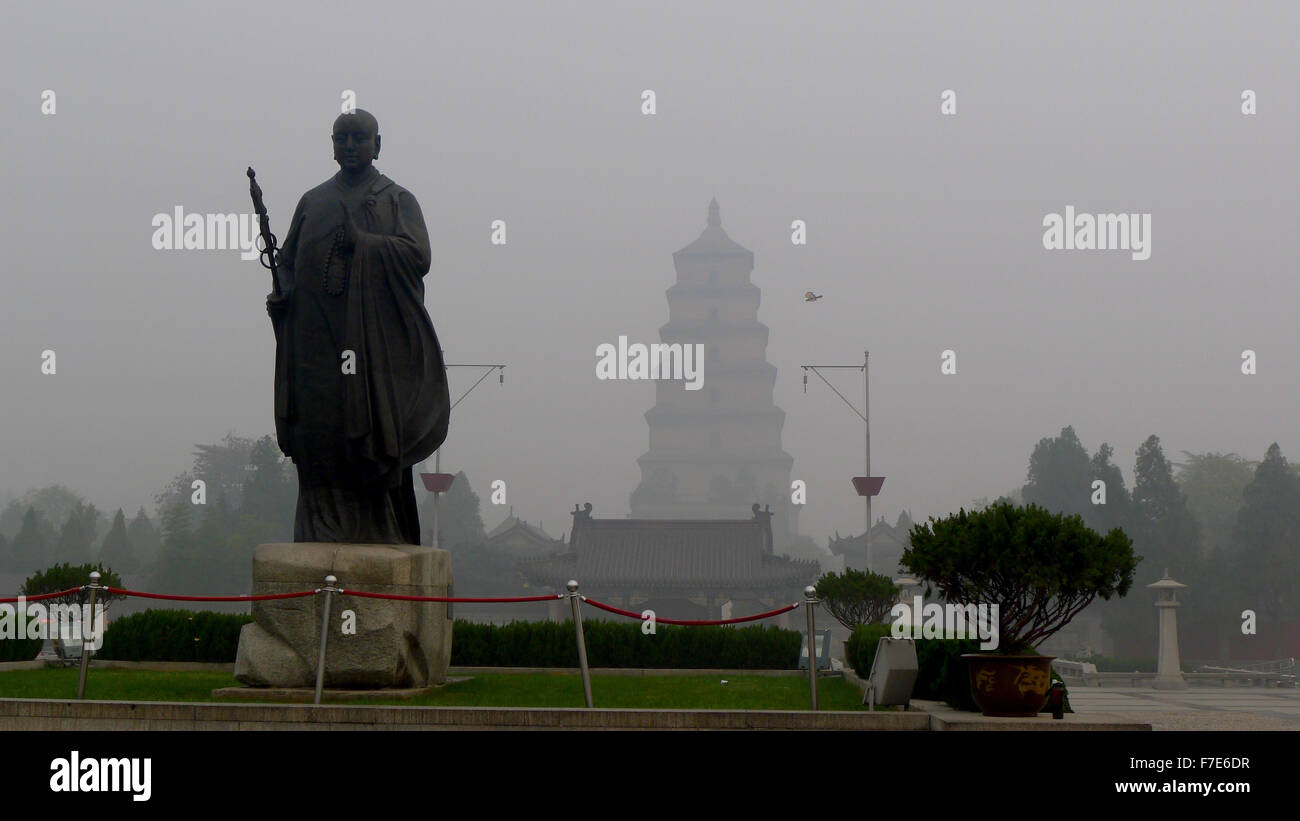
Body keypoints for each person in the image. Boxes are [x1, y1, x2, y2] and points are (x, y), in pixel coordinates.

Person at [265, 110, 449, 544]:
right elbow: (289, 265)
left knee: (367, 434)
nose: (350, 146)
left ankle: (379, 529)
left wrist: (364, 244)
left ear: (377, 145)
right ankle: (319, 529)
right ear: (331, 144)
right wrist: (283, 298)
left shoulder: (395, 199)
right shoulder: (313, 202)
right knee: (318, 435)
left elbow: (418, 256)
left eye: (359, 138)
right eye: (341, 138)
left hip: (371, 347)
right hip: (315, 345)